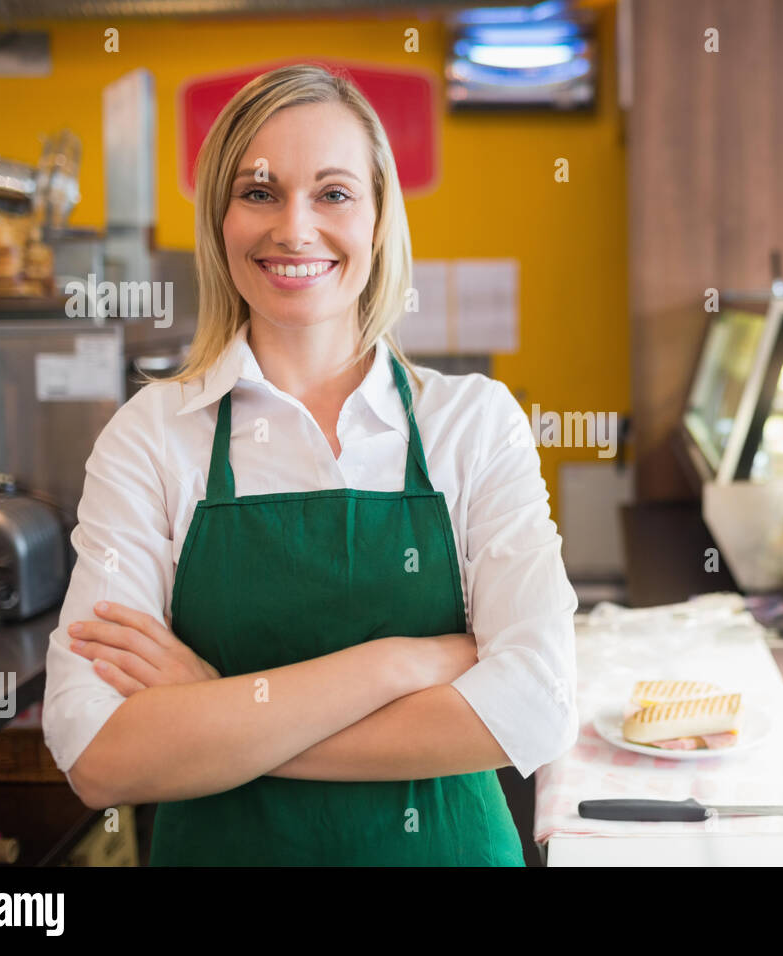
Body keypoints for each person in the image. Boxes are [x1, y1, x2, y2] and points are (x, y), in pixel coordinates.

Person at [41, 63, 578, 866]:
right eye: (259, 192)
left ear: (378, 217)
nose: (294, 229)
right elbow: (97, 752)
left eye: (332, 193)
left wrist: (212, 710)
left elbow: (535, 710)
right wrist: (397, 664)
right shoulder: (151, 435)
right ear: (219, 218)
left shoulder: (472, 423)